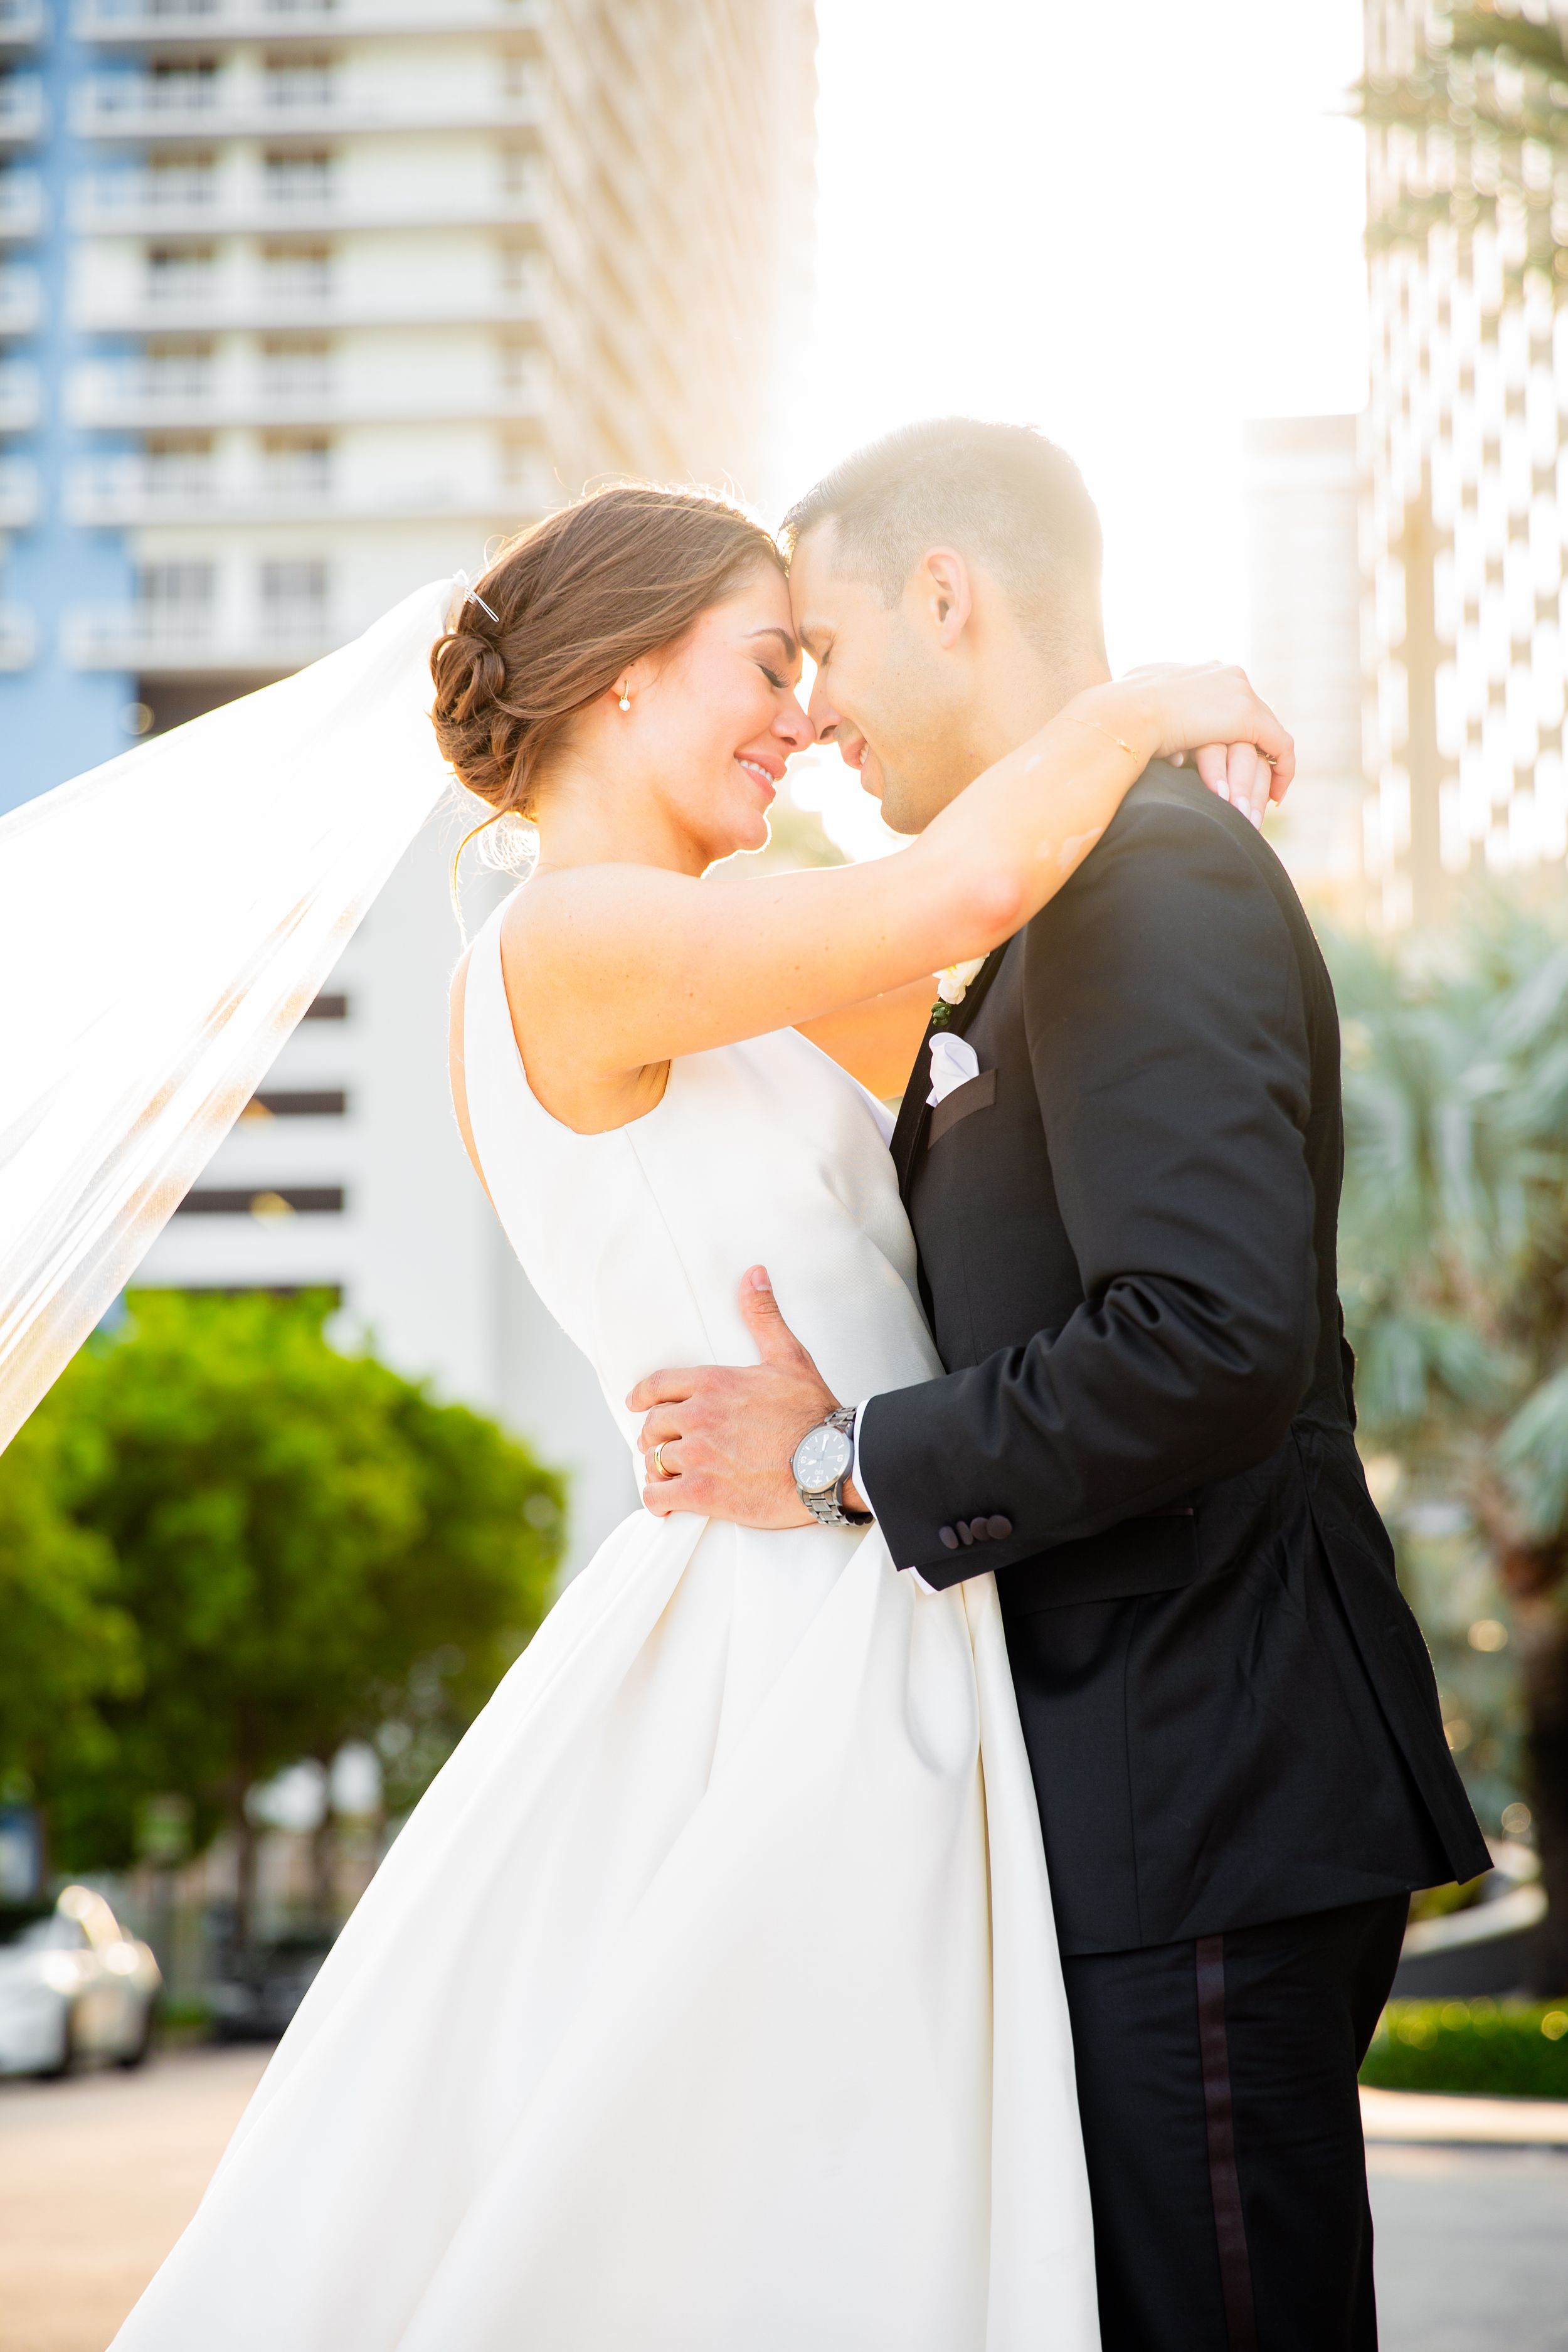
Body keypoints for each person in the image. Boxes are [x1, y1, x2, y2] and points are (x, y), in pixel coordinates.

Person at [109, 475, 1291, 2352]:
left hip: (878, 1577)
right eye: (767, 663)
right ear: (619, 689)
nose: (806, 714)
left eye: (817, 672)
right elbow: (966, 888)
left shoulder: (713, 944)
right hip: (792, 1631)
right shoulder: (572, 941)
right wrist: (1149, 703)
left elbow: (984, 968)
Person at [630, 421, 1493, 2352]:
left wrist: (842, 1456)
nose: (818, 709)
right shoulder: (1048, 885)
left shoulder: (1141, 879)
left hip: (1198, 1764)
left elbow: (1203, 1337)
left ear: (949, 594)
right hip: (1143, 1769)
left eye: (825, 646)